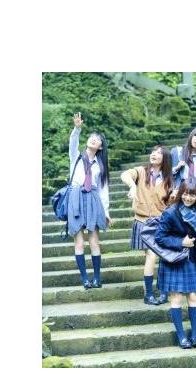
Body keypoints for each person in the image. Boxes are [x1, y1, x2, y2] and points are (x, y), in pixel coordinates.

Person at [155, 177, 196, 349]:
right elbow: (159, 238)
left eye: (192, 195)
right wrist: (180, 242)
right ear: (180, 194)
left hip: (189, 258)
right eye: (185, 194)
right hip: (174, 259)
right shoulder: (171, 212)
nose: (188, 198)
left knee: (192, 296)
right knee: (176, 297)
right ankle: (181, 337)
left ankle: (195, 335)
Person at [120, 145, 173, 305]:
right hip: (142, 221)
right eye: (153, 152)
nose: (154, 154)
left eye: (159, 153)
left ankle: (163, 292)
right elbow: (125, 174)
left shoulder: (168, 179)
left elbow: (170, 203)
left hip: (161, 222)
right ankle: (148, 294)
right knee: (151, 255)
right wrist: (133, 186)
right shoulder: (141, 171)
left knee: (163, 256)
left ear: (165, 158)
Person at [68, 112, 113, 289]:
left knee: (94, 241)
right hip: (76, 198)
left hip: (93, 199)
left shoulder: (101, 165)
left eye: (98, 139)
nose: (94, 139)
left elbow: (103, 190)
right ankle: (85, 279)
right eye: (92, 137)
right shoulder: (76, 156)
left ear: (101, 147)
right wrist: (77, 129)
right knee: (79, 241)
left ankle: (97, 278)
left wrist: (106, 212)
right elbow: (73, 143)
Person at [171, 127, 196, 195]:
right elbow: (165, 173)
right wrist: (177, 168)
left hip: (195, 194)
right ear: (191, 135)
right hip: (178, 192)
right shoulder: (177, 152)